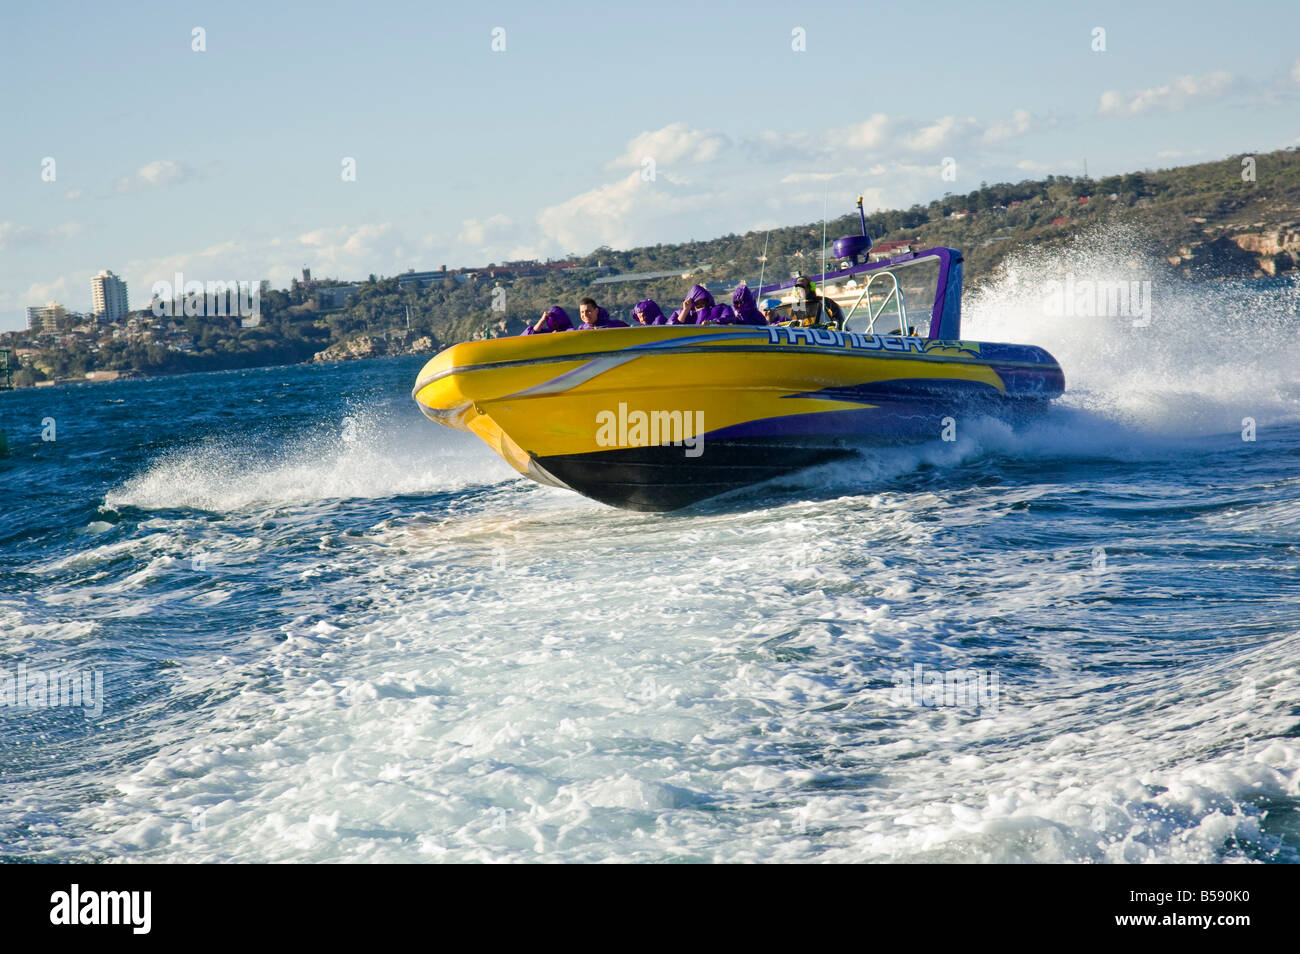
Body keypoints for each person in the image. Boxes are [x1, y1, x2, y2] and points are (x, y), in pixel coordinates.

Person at [669, 284, 736, 325]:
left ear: (709, 299)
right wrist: (685, 310)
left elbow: (729, 317)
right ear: (692, 303)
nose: (702, 304)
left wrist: (712, 322)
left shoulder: (721, 308)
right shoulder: (683, 314)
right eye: (698, 303)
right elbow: (672, 328)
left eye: (704, 301)